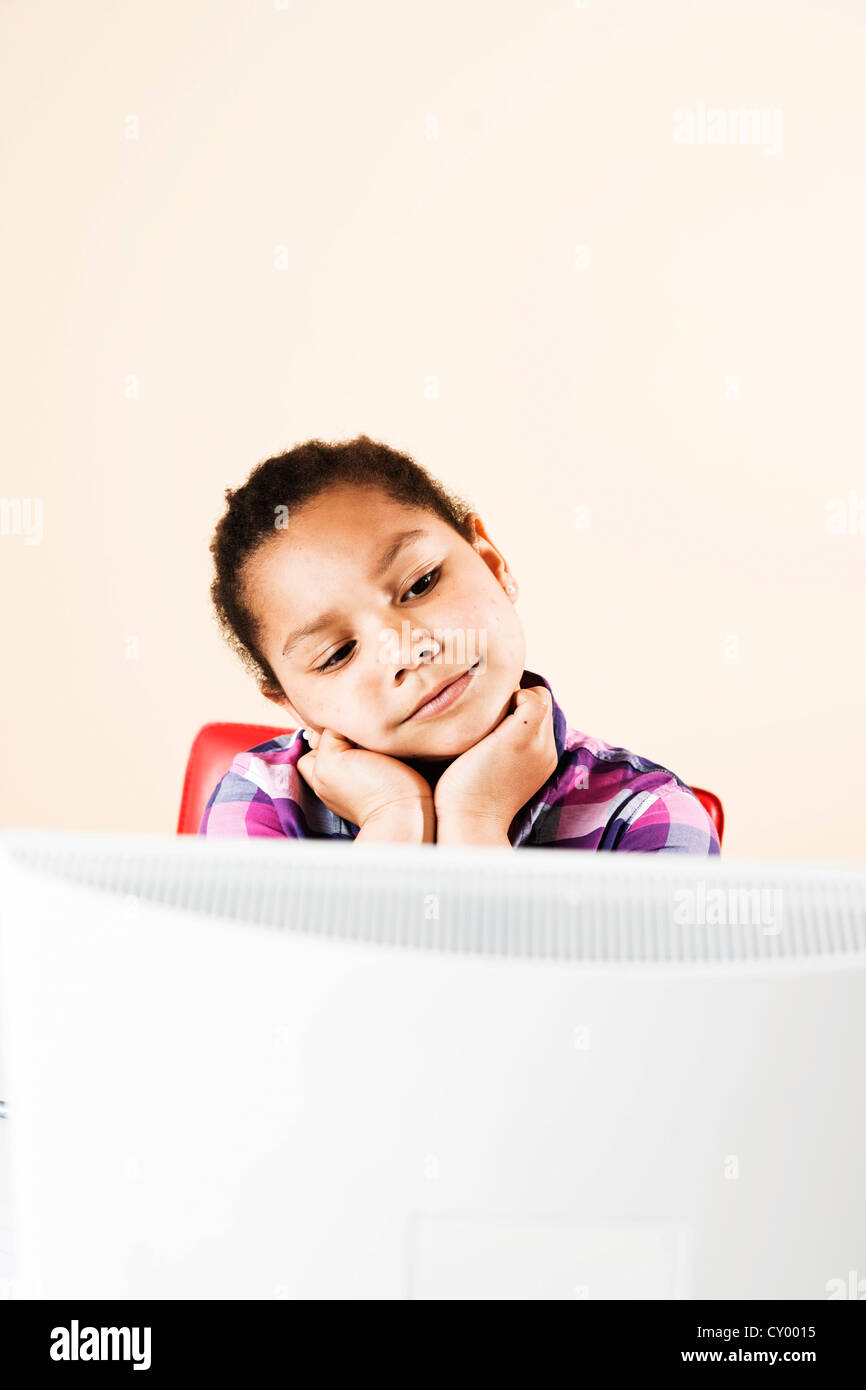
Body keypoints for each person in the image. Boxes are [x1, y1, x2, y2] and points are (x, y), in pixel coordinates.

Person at [199, 435, 720, 852]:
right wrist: (392, 822)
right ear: (294, 705)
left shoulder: (646, 815)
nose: (407, 649)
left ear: (493, 564)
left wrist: (476, 821)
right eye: (337, 654)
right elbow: (294, 989)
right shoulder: (263, 801)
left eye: (421, 583)